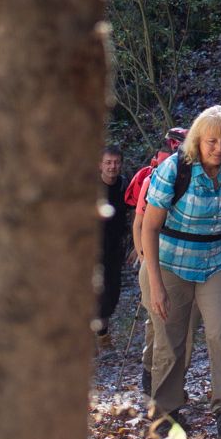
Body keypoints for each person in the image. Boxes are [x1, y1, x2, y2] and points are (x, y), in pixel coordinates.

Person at [141, 106, 221, 439]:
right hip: (169, 262)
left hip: (218, 259)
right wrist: (155, 284)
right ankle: (166, 412)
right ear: (198, 140)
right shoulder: (174, 169)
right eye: (211, 141)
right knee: (171, 337)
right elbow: (150, 227)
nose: (218, 149)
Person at [132, 128, 196, 396]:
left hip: (190, 265)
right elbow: (140, 225)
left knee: (187, 330)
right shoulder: (157, 179)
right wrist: (148, 263)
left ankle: (172, 384)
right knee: (157, 325)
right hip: (158, 263)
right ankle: (151, 374)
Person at [96, 145, 129, 349]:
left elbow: (136, 211)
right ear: (100, 165)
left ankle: (102, 333)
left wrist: (136, 245)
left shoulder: (125, 185)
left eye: (116, 162)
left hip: (115, 248)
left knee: (111, 293)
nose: (112, 167)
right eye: (108, 162)